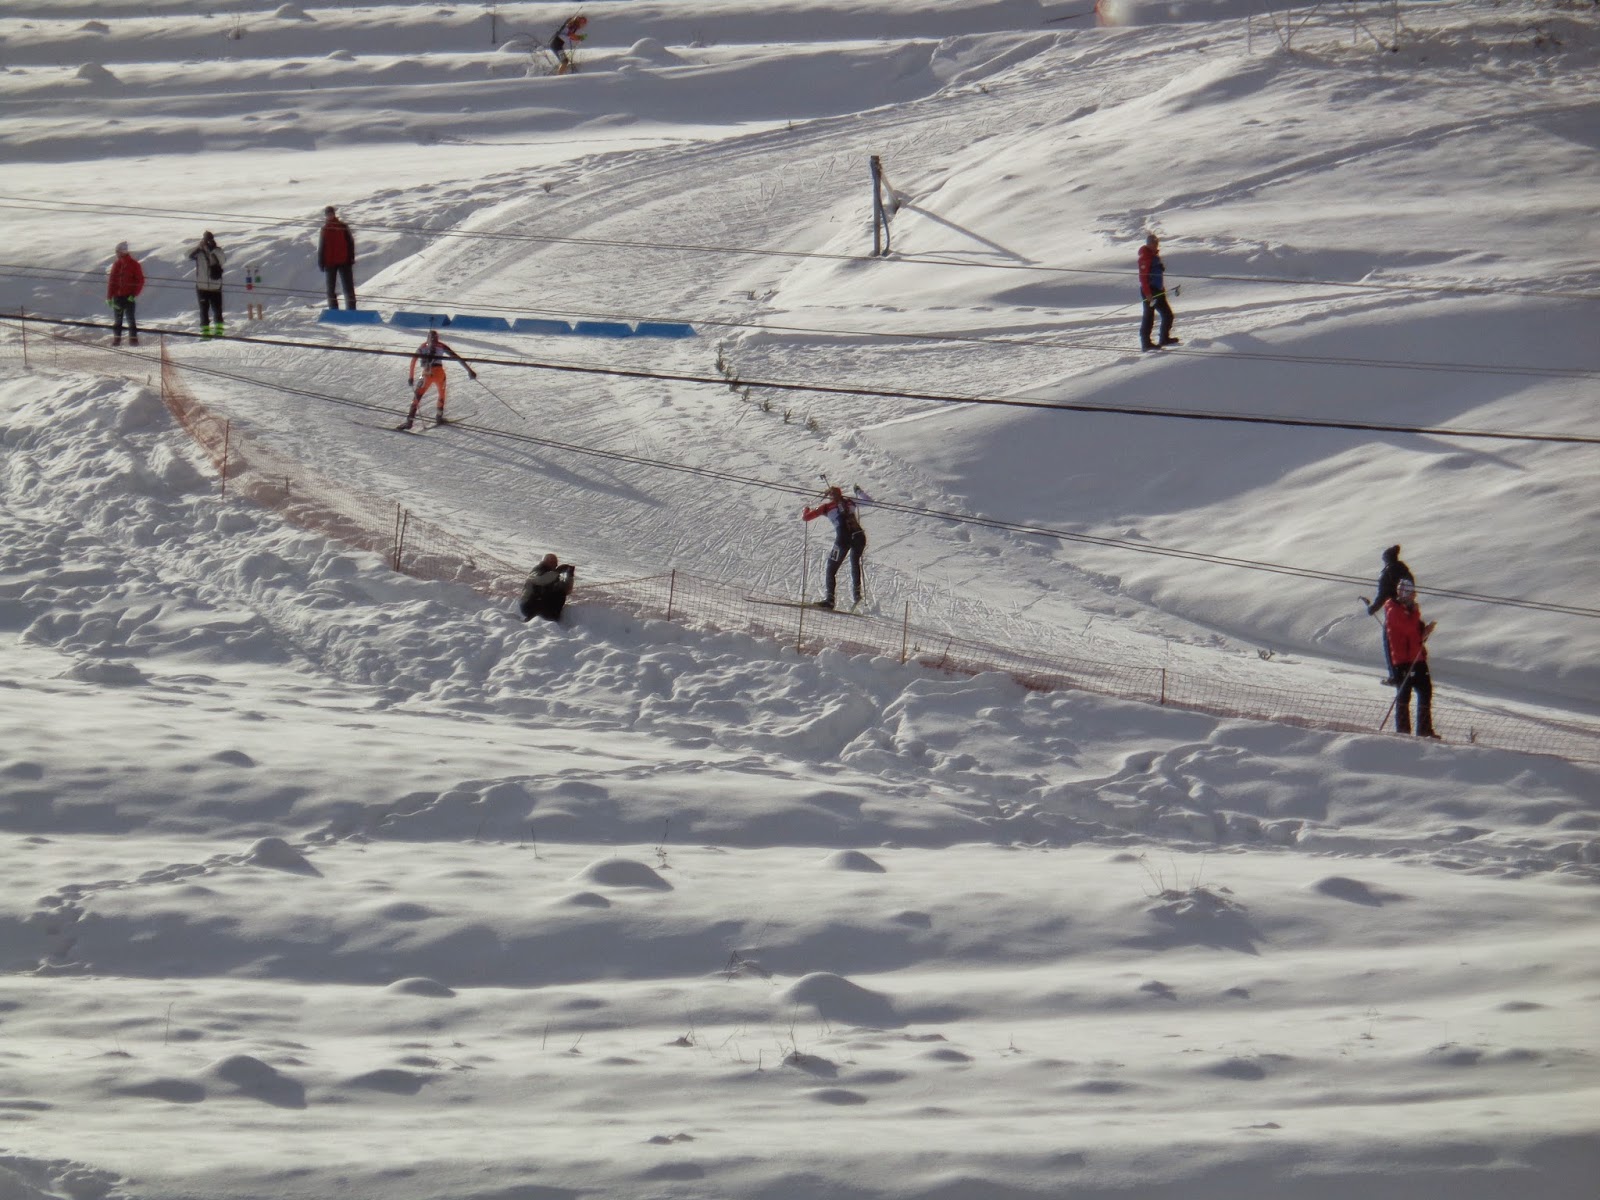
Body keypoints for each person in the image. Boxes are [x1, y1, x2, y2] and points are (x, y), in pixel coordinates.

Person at [803, 484, 872, 610]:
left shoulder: (826, 507)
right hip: (859, 536)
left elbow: (806, 517)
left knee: (831, 567)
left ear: (830, 496)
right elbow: (868, 501)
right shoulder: (849, 501)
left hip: (843, 539)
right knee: (855, 561)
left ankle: (830, 600)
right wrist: (858, 491)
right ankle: (857, 594)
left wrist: (806, 509)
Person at [1384, 578, 1438, 739]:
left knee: (1425, 692)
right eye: (1411, 594)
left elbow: (1415, 635)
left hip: (1417, 658)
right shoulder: (1393, 609)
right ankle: (1403, 731)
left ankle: (1424, 730)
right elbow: (1407, 629)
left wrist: (1425, 633)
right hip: (1403, 660)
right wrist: (1415, 612)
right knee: (1404, 695)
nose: (1414, 597)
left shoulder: (1409, 610)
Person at [402, 329, 477, 429]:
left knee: (417, 396)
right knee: (441, 394)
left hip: (427, 374)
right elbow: (456, 357)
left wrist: (411, 377)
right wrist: (469, 370)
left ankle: (409, 421)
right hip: (439, 374)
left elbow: (413, 361)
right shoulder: (441, 346)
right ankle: (439, 416)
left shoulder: (422, 347)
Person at [1362, 544, 1415, 684]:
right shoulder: (1405, 571)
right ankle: (1409, 671)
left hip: (1393, 612)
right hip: (1408, 611)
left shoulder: (1387, 572)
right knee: (1407, 642)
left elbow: (1383, 595)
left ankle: (1395, 675)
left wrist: (1372, 608)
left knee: (1390, 643)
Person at [1138, 233, 1178, 352]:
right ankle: (1146, 343)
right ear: (1148, 244)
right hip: (1150, 291)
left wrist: (1161, 288)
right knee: (1149, 317)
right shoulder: (1145, 257)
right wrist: (1148, 293)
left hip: (1158, 290)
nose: (1156, 245)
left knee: (1167, 315)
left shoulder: (1154, 255)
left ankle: (1164, 338)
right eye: (1153, 243)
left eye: (1156, 243)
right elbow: (1143, 278)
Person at [186, 231, 226, 339]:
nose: (207, 242)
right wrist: (199, 248)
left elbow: (223, 260)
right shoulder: (199, 253)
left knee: (217, 309)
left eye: (209, 240)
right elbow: (187, 255)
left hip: (215, 286)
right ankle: (205, 333)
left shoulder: (218, 251)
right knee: (203, 311)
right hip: (202, 286)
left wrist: (212, 250)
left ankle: (219, 332)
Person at [317, 205, 357, 310]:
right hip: (329, 263)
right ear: (325, 216)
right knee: (330, 290)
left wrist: (351, 257)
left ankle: (351, 310)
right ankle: (334, 310)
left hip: (344, 261)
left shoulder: (343, 226)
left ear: (334, 214)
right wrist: (321, 261)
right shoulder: (324, 229)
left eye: (331, 213)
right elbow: (322, 246)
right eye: (328, 214)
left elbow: (350, 243)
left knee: (348, 288)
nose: (329, 215)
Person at [106, 241, 144, 347]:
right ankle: (117, 340)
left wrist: (134, 294)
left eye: (117, 252)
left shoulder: (134, 265)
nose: (116, 254)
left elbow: (140, 281)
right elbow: (112, 281)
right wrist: (109, 297)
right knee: (118, 319)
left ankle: (133, 340)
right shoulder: (116, 264)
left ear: (122, 252)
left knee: (130, 319)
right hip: (117, 297)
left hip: (128, 297)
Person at [519, 553, 576, 622]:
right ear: (546, 561)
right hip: (528, 604)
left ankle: (551, 616)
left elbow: (566, 590)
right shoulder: (537, 570)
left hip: (540, 604)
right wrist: (557, 572)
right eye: (553, 562)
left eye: (556, 563)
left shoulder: (553, 575)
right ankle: (535, 617)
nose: (556, 565)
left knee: (560, 593)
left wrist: (569, 576)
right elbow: (540, 580)